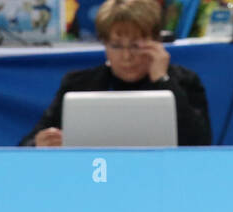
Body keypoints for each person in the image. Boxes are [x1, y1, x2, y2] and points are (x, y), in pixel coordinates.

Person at [19, 0, 211, 147]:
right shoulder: (78, 85)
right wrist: (40, 144)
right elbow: (25, 145)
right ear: (104, 44)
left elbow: (201, 143)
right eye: (116, 46)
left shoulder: (184, 81)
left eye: (136, 46)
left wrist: (163, 80)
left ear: (156, 42)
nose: (127, 56)